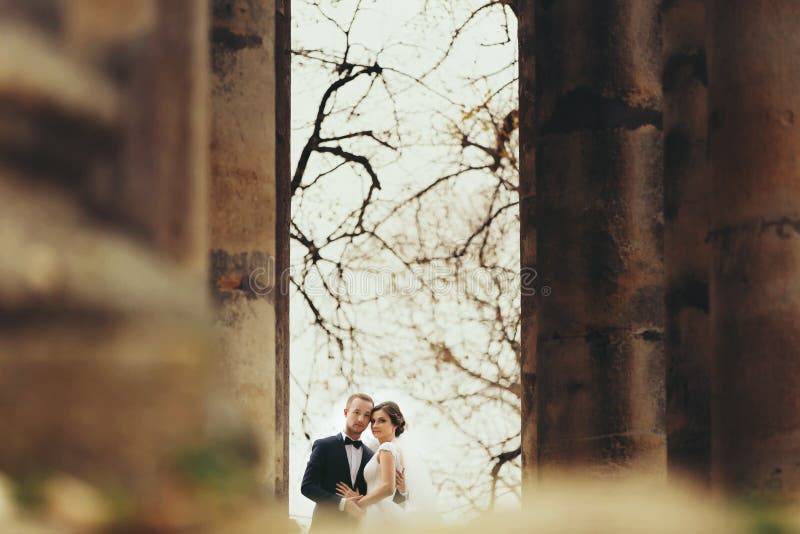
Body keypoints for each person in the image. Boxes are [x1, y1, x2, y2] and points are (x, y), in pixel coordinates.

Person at [301, 393, 406, 532]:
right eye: (356, 412)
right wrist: (343, 504)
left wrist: (403, 490)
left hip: (359, 527)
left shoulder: (373, 456)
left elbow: (385, 497)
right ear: (346, 412)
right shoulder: (324, 446)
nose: (361, 419)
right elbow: (308, 487)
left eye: (367, 415)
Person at [335, 401, 420, 529]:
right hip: (382, 510)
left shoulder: (387, 448)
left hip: (377, 511)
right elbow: (394, 488)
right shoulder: (397, 449)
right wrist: (403, 490)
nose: (375, 425)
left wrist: (358, 502)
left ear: (395, 424)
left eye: (382, 421)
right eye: (373, 421)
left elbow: (388, 488)